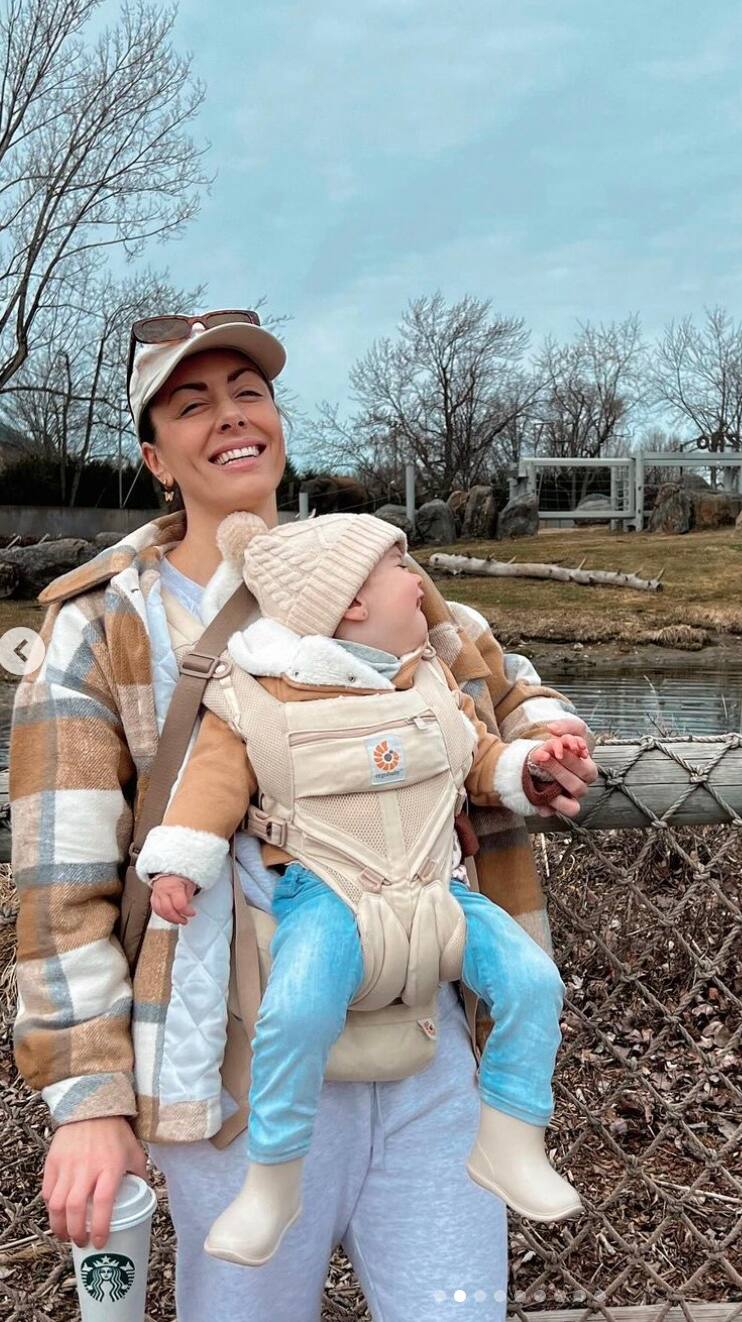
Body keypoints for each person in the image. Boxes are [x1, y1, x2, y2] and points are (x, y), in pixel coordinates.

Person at [10, 310, 597, 1321]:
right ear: (155, 455)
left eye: (249, 393)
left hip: (426, 1035)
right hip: (233, 1065)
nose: (231, 418)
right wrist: (92, 1101)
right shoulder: (100, 624)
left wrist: (547, 744)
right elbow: (62, 885)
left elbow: (499, 685)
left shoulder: (370, 572)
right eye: (192, 404)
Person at [138, 509, 595, 1265]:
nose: (421, 582)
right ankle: (273, 1180)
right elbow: (211, 786)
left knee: (533, 981)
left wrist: (533, 767)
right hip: (325, 895)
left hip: (438, 890)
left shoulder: (428, 679)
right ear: (351, 601)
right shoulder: (257, 695)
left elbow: (478, 757)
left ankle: (512, 1138)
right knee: (295, 1012)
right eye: (402, 569)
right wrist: (182, 862)